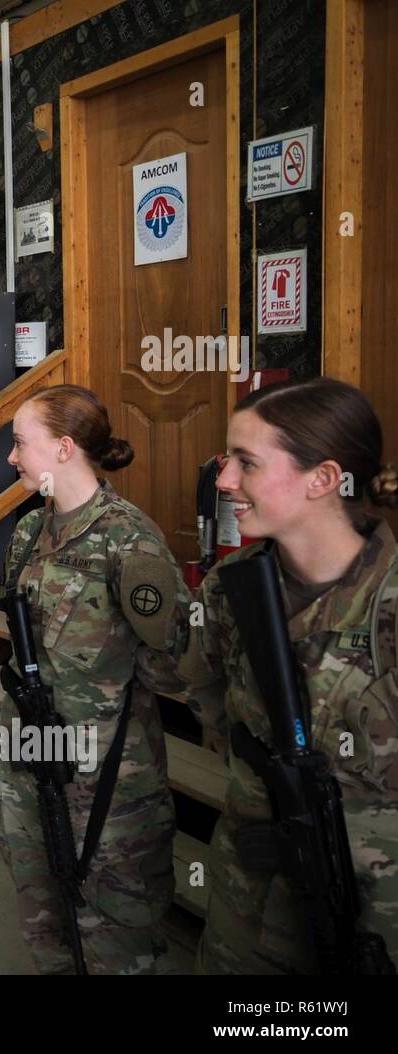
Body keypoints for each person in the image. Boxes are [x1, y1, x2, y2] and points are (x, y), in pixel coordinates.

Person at [181, 377, 398, 974]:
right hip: (246, 902)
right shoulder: (232, 590)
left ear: (323, 478)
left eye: (245, 462)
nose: (223, 481)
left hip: (372, 922)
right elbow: (216, 708)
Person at [0, 384, 190, 974]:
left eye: (21, 443)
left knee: (116, 945)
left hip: (107, 786)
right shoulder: (29, 534)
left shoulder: (130, 542)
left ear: (65, 448)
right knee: (45, 928)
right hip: (32, 763)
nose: (12, 456)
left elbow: (172, 662)